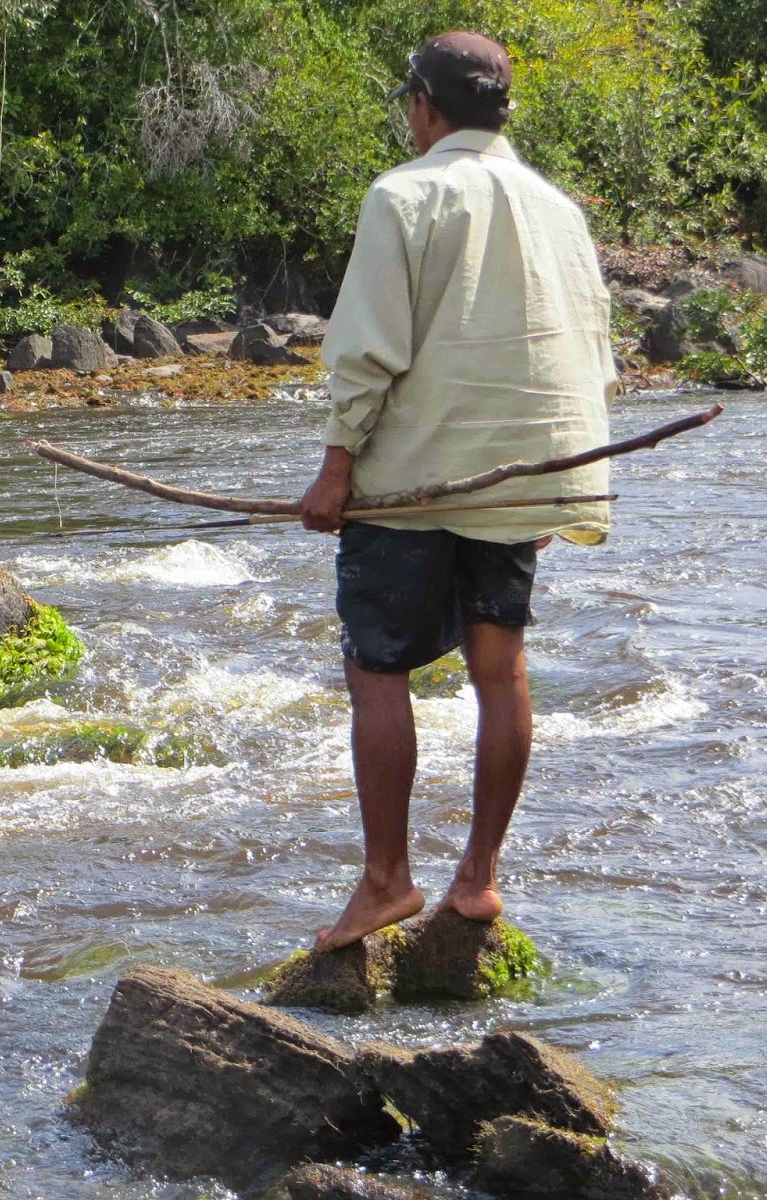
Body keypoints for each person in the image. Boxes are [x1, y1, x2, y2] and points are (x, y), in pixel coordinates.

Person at [299, 31, 616, 951]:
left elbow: (366, 351)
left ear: (425, 108)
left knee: (377, 668)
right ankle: (477, 879)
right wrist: (561, 484)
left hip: (413, 479)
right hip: (523, 472)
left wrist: (335, 464)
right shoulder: (559, 209)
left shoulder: (404, 194)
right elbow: (589, 353)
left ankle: (386, 879)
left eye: (409, 103)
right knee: (499, 666)